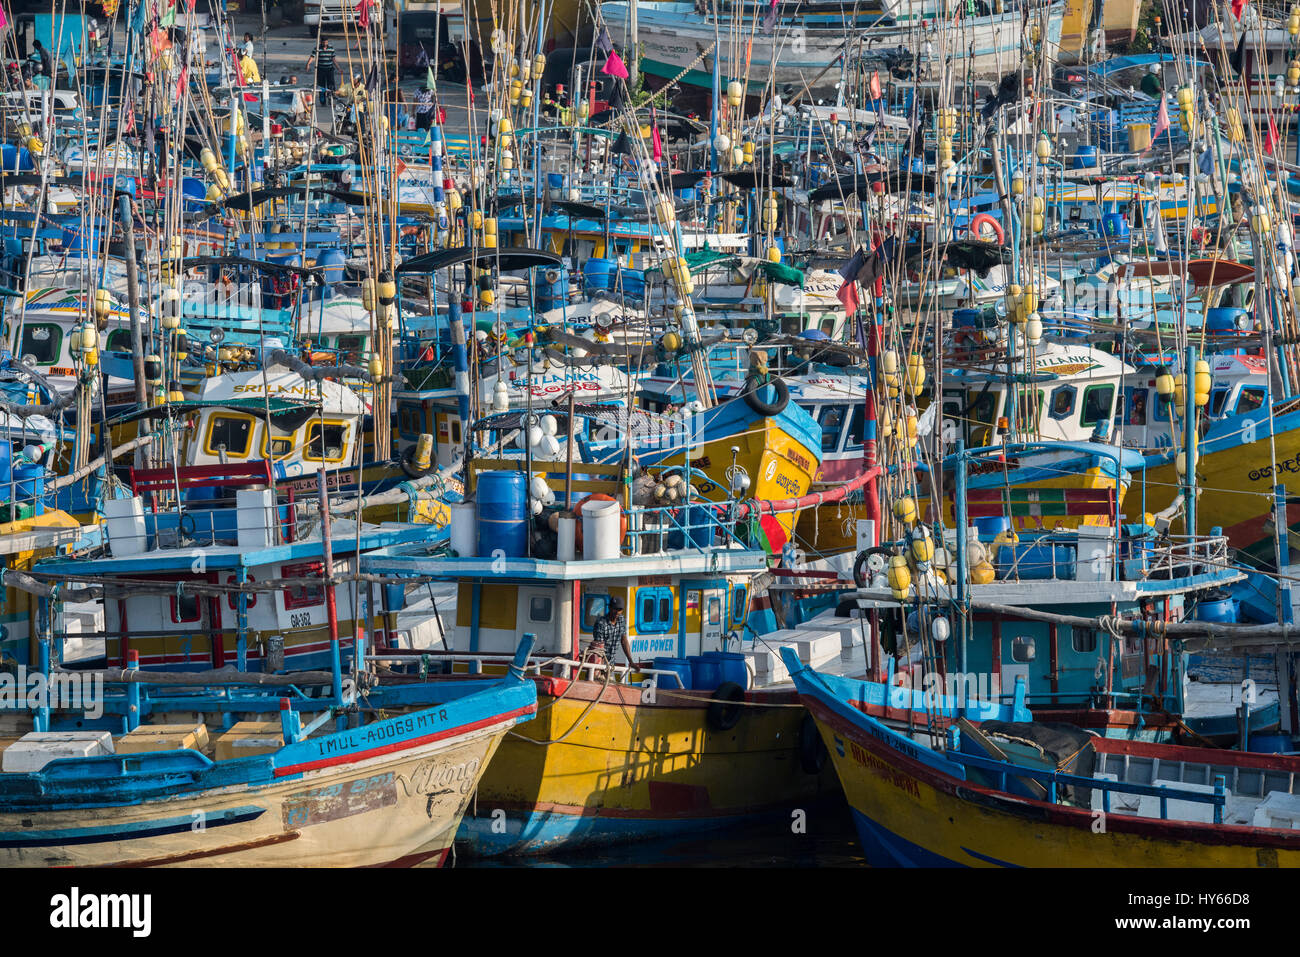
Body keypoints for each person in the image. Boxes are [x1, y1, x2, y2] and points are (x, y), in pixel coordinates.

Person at [585, 596, 638, 672]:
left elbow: (624, 640)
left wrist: (631, 661)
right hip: (599, 664)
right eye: (615, 609)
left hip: (611, 664)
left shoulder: (621, 619)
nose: (617, 612)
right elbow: (599, 649)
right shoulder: (601, 623)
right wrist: (600, 669)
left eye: (619, 609)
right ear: (609, 608)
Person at [306, 38, 337, 103]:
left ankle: (330, 99)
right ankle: (322, 101)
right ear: (321, 42)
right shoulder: (317, 48)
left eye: (326, 42)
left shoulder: (331, 48)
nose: (325, 44)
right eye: (324, 42)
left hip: (329, 69)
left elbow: (333, 59)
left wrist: (339, 68)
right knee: (321, 86)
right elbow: (312, 57)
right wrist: (308, 64)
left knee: (331, 85)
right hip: (320, 70)